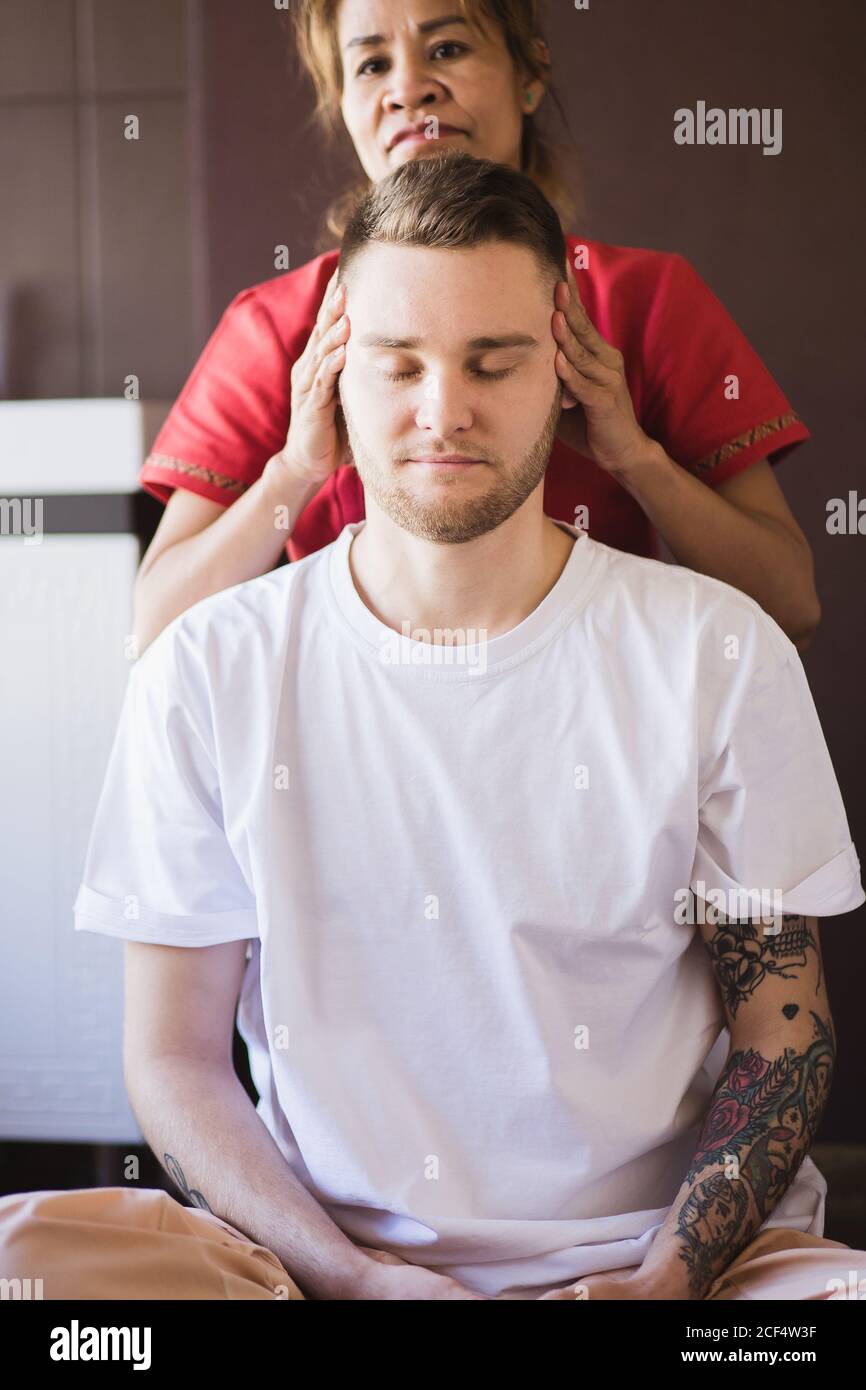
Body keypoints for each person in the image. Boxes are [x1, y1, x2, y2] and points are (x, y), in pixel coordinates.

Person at [4, 153, 863, 1302]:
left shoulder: (714, 649)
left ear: (560, 376)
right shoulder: (209, 668)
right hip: (304, 1259)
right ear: (333, 381)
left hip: (671, 1264)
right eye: (397, 362)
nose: (441, 409)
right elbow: (172, 1060)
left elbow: (783, 1034)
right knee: (35, 1273)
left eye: (492, 361)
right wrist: (354, 1280)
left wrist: (659, 1286)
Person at [131, 0, 821, 658]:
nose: (409, 89)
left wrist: (634, 457)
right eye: (371, 65)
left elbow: (789, 608)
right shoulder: (275, 326)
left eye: (448, 48)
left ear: (529, 77)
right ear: (341, 103)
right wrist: (297, 470)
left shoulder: (649, 300)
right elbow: (157, 631)